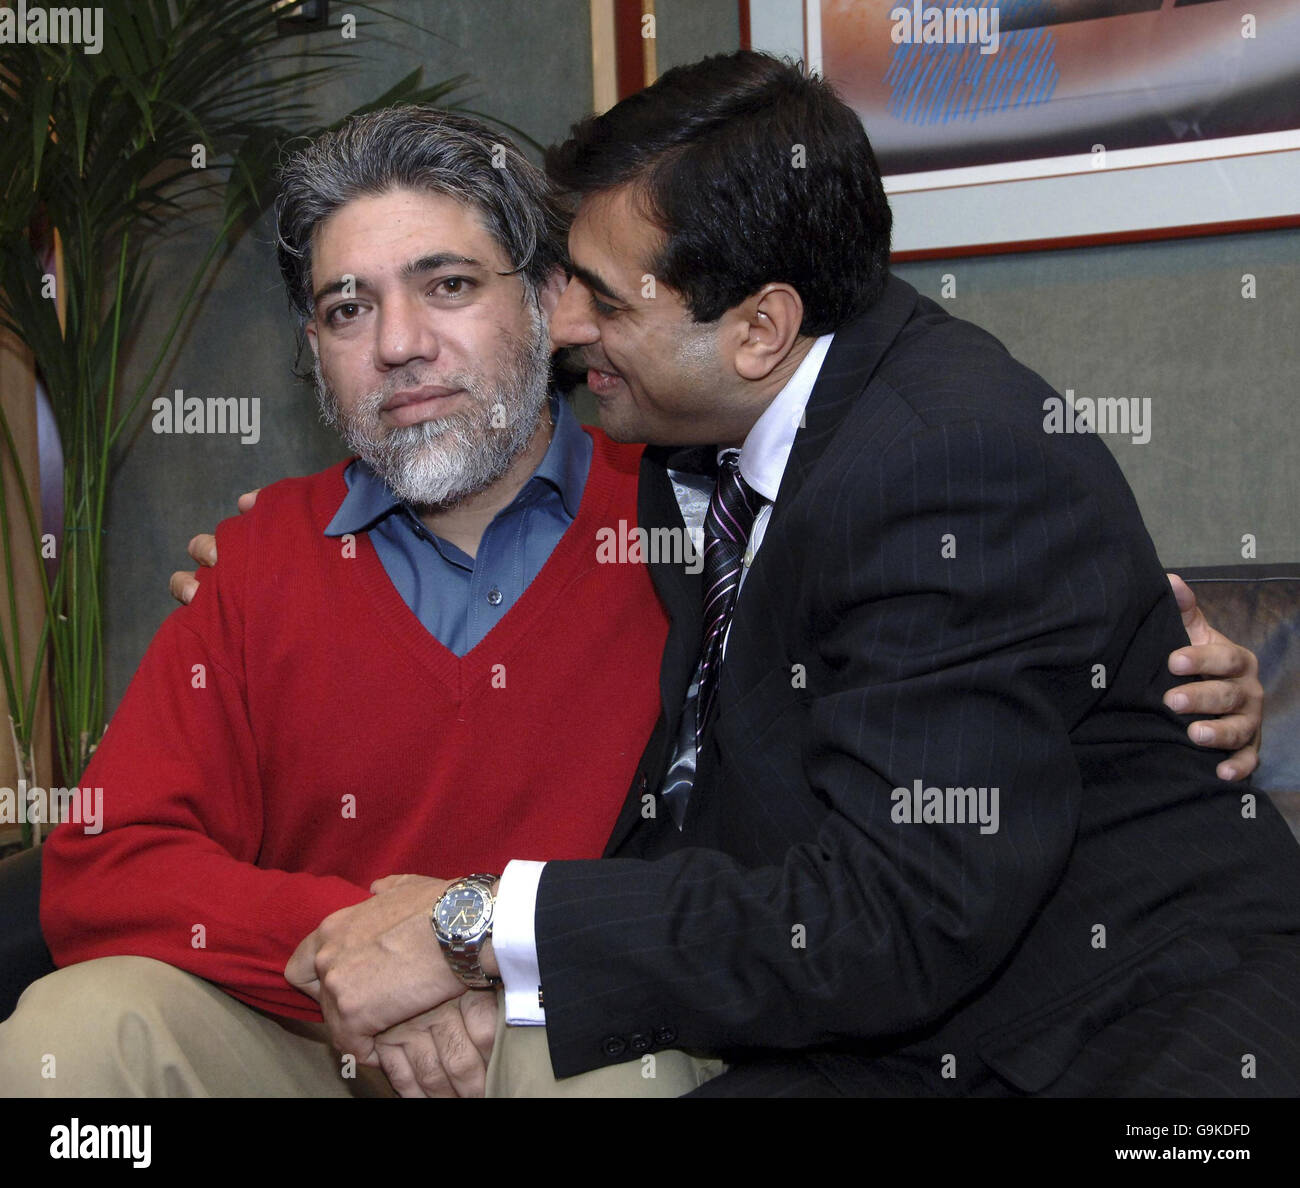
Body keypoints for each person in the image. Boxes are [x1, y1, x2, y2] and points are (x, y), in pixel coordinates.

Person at [273, 53, 1300, 1097]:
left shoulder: (950, 466)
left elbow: (900, 912)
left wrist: (485, 925)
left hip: (1114, 1035)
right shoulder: (696, 439)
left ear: (759, 329)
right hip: (872, 1016)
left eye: (605, 302)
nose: (566, 326)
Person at [0, 107, 712, 1098]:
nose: (398, 344)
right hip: (310, 1041)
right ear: (315, 346)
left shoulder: (692, 530)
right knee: (74, 1032)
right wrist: (368, 956)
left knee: (613, 1076)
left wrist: (480, 957)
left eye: (448, 285)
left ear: (550, 298)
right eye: (348, 308)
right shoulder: (260, 561)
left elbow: (770, 879)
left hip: (568, 1023)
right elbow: (105, 864)